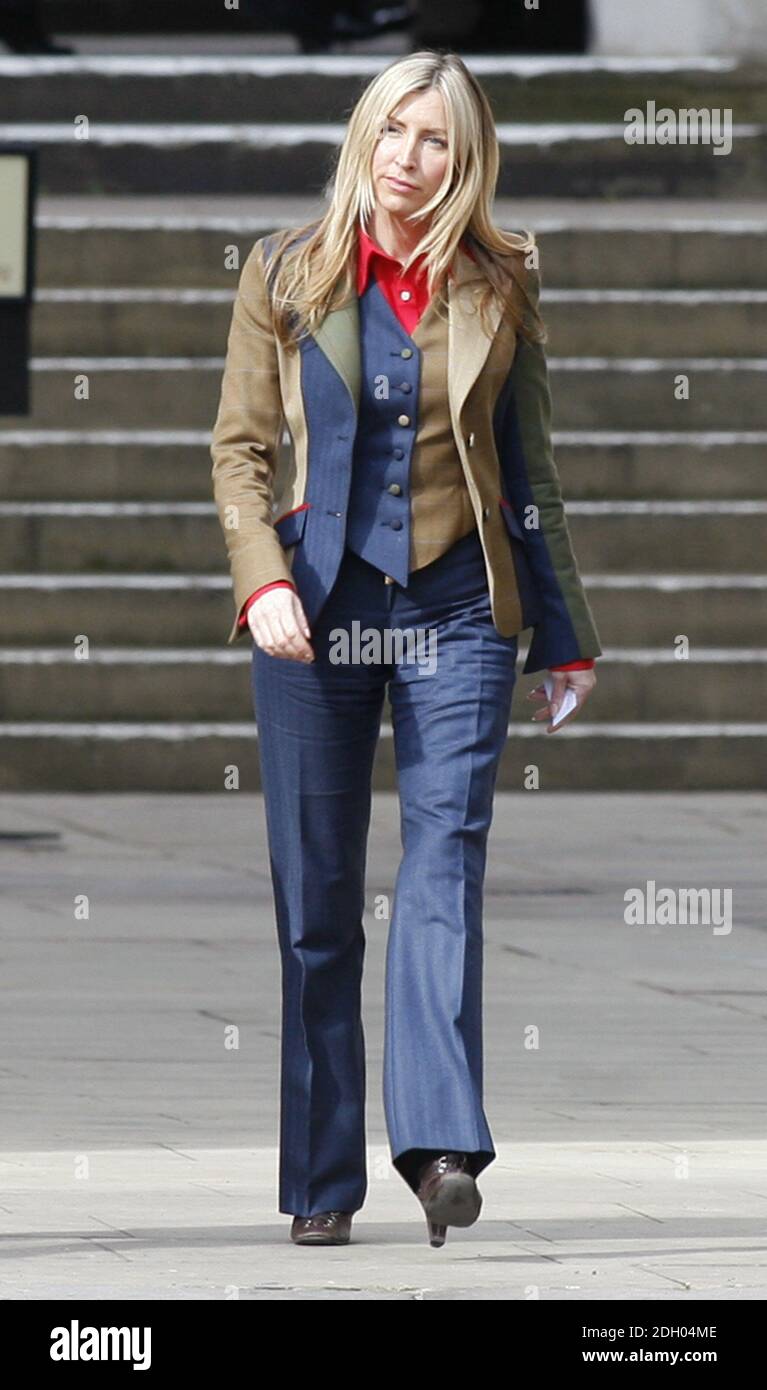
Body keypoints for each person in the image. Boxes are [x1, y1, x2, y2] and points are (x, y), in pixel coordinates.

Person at [210, 49, 601, 1249]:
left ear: (464, 155)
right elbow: (239, 451)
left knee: (445, 866)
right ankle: (320, 1175)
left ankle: (437, 1148)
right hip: (316, 609)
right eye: (393, 131)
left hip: (454, 607)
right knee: (317, 898)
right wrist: (262, 581)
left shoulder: (502, 276)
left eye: (436, 139)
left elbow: (528, 469)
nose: (410, 158)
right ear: (363, 137)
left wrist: (565, 632)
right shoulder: (285, 269)